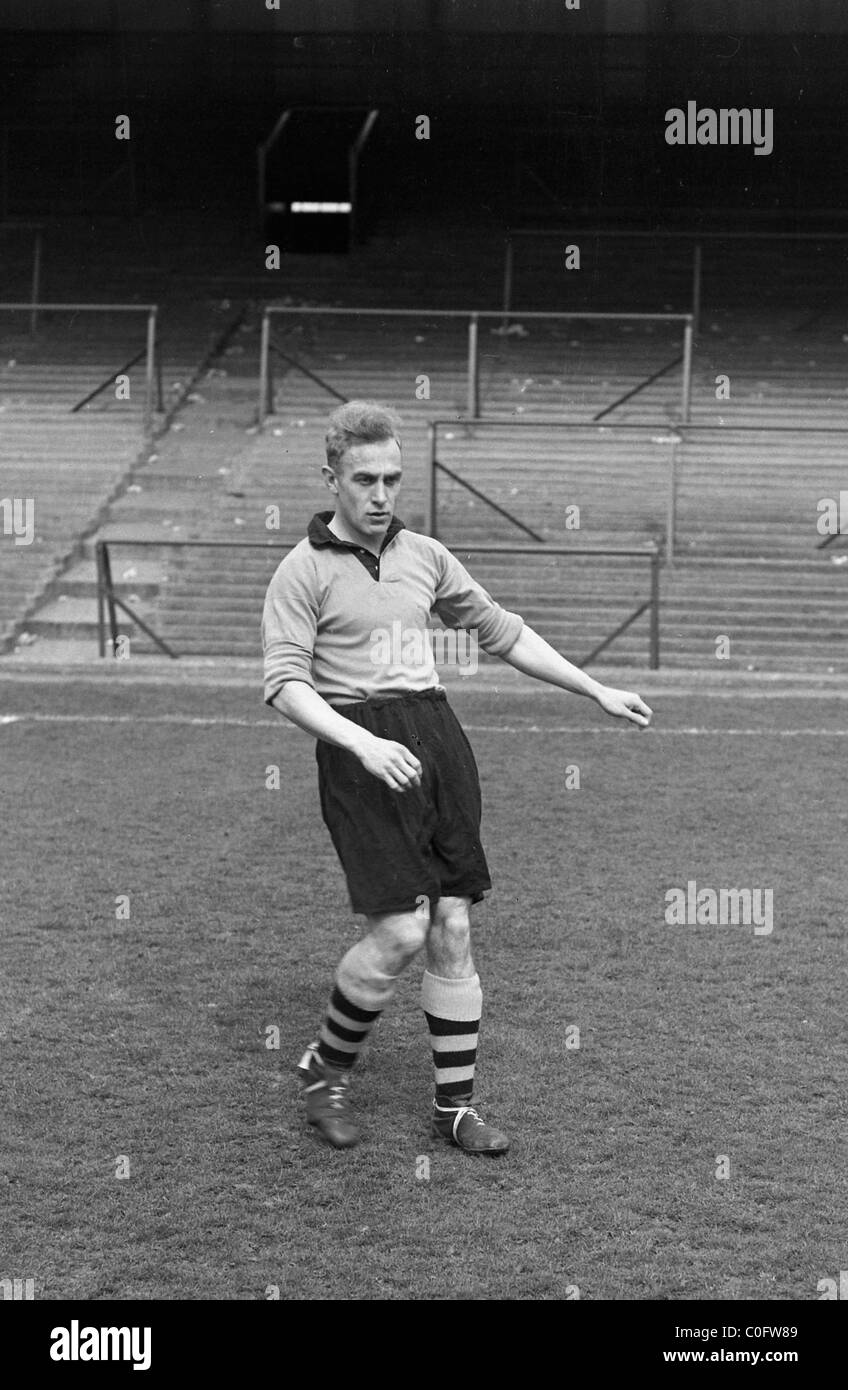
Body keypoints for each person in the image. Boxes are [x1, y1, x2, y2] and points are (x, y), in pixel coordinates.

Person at [262, 400, 652, 1154]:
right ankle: (324, 1068)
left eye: (393, 480)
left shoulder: (426, 555)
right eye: (365, 479)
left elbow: (501, 630)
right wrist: (359, 744)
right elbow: (285, 683)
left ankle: (455, 1109)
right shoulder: (302, 569)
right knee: (403, 929)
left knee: (453, 923)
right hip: (359, 747)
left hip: (436, 740)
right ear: (331, 478)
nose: (381, 496)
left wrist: (595, 688)